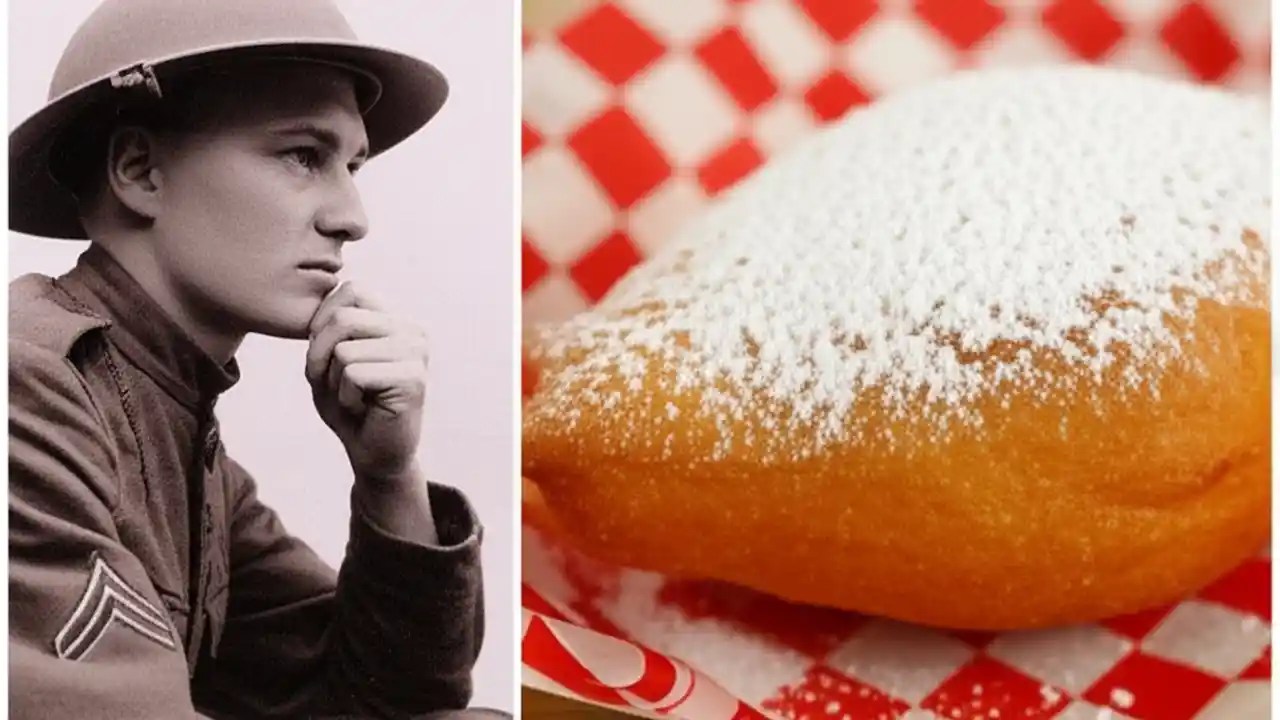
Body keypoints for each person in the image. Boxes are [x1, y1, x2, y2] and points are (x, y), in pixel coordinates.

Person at [9, 1, 506, 717]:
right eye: (303, 155)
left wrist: (390, 474)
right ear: (139, 169)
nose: (352, 217)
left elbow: (393, 702)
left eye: (353, 165)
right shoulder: (29, 389)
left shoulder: (183, 439)